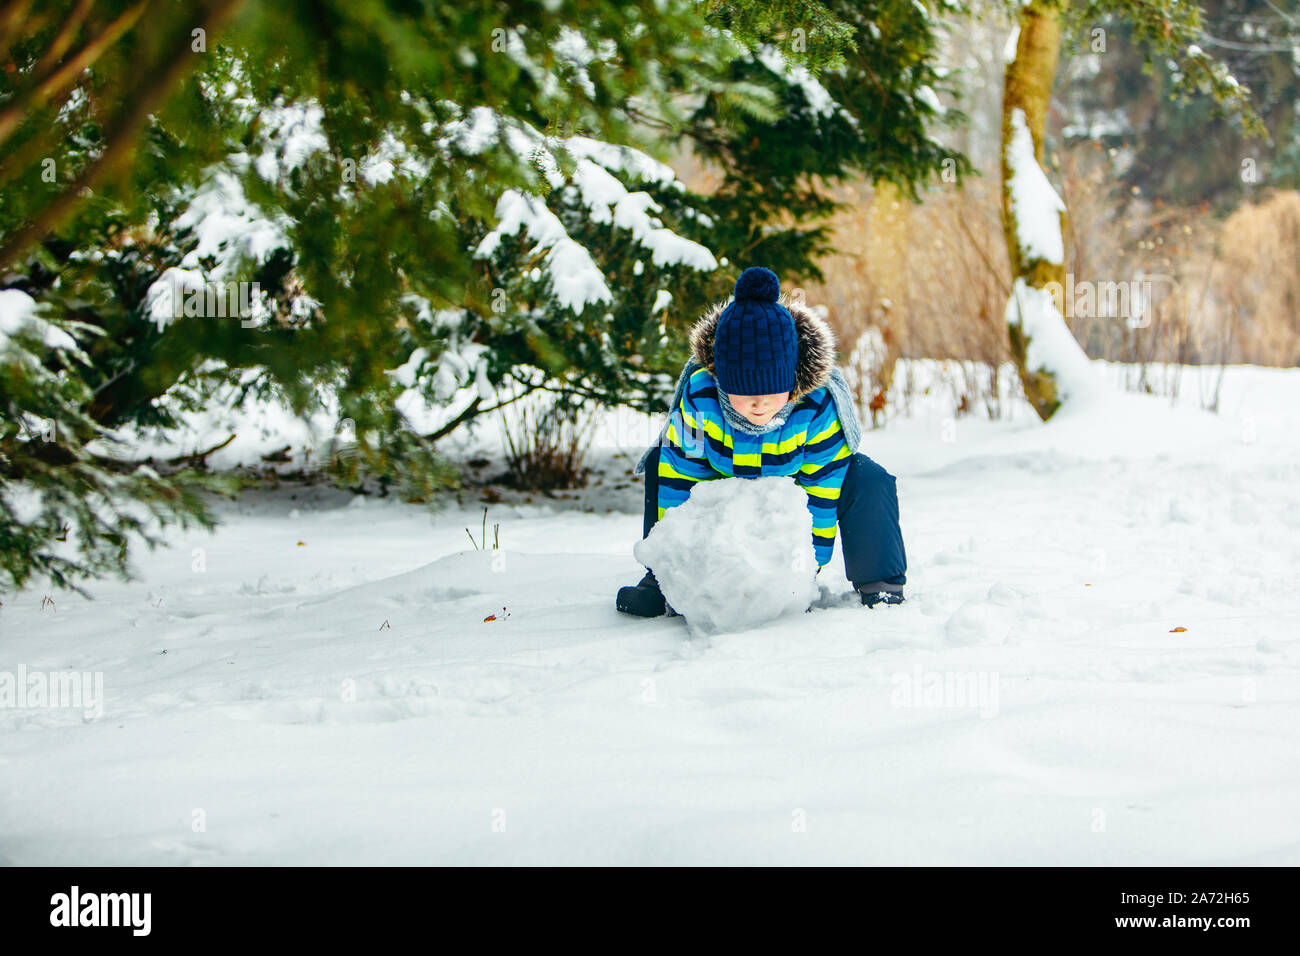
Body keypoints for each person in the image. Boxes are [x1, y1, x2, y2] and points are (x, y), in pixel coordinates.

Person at [616, 266, 908, 617]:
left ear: (791, 380)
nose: (759, 404)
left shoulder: (819, 404)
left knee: (865, 476)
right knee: (660, 461)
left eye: (771, 392)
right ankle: (658, 581)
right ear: (722, 381)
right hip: (723, 485)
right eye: (745, 393)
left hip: (795, 492)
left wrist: (805, 569)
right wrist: (678, 567)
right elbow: (681, 477)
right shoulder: (698, 397)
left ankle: (881, 585)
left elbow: (822, 488)